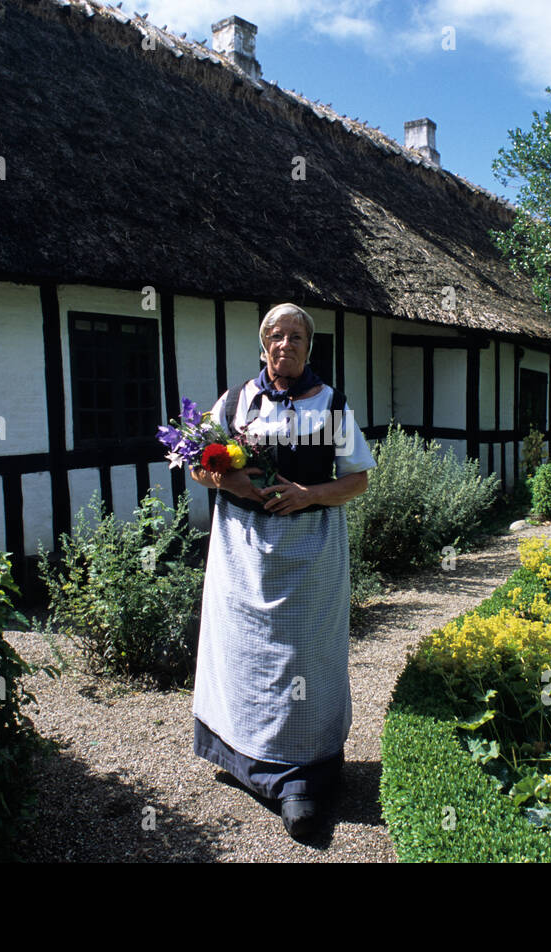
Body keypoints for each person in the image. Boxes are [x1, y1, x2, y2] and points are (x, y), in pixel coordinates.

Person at [186, 303, 376, 838]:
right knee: (244, 652)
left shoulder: (332, 406)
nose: (285, 344)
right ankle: (242, 756)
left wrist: (307, 494)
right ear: (264, 344)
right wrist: (230, 482)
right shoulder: (237, 401)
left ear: (308, 348)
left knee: (302, 656)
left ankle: (302, 778)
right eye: (276, 335)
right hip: (241, 553)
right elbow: (198, 462)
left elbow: (358, 480)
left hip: (309, 554)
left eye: (296, 337)